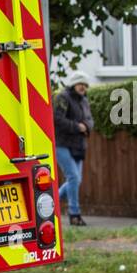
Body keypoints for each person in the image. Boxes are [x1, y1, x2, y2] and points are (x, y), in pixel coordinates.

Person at [53, 70, 93, 226]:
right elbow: (57, 119)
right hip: (62, 143)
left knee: (76, 179)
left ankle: (52, 203)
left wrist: (86, 127)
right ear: (73, 84)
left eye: (85, 84)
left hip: (78, 145)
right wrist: (77, 127)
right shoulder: (63, 98)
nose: (83, 87)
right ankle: (74, 214)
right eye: (80, 84)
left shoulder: (84, 101)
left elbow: (89, 120)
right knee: (74, 178)